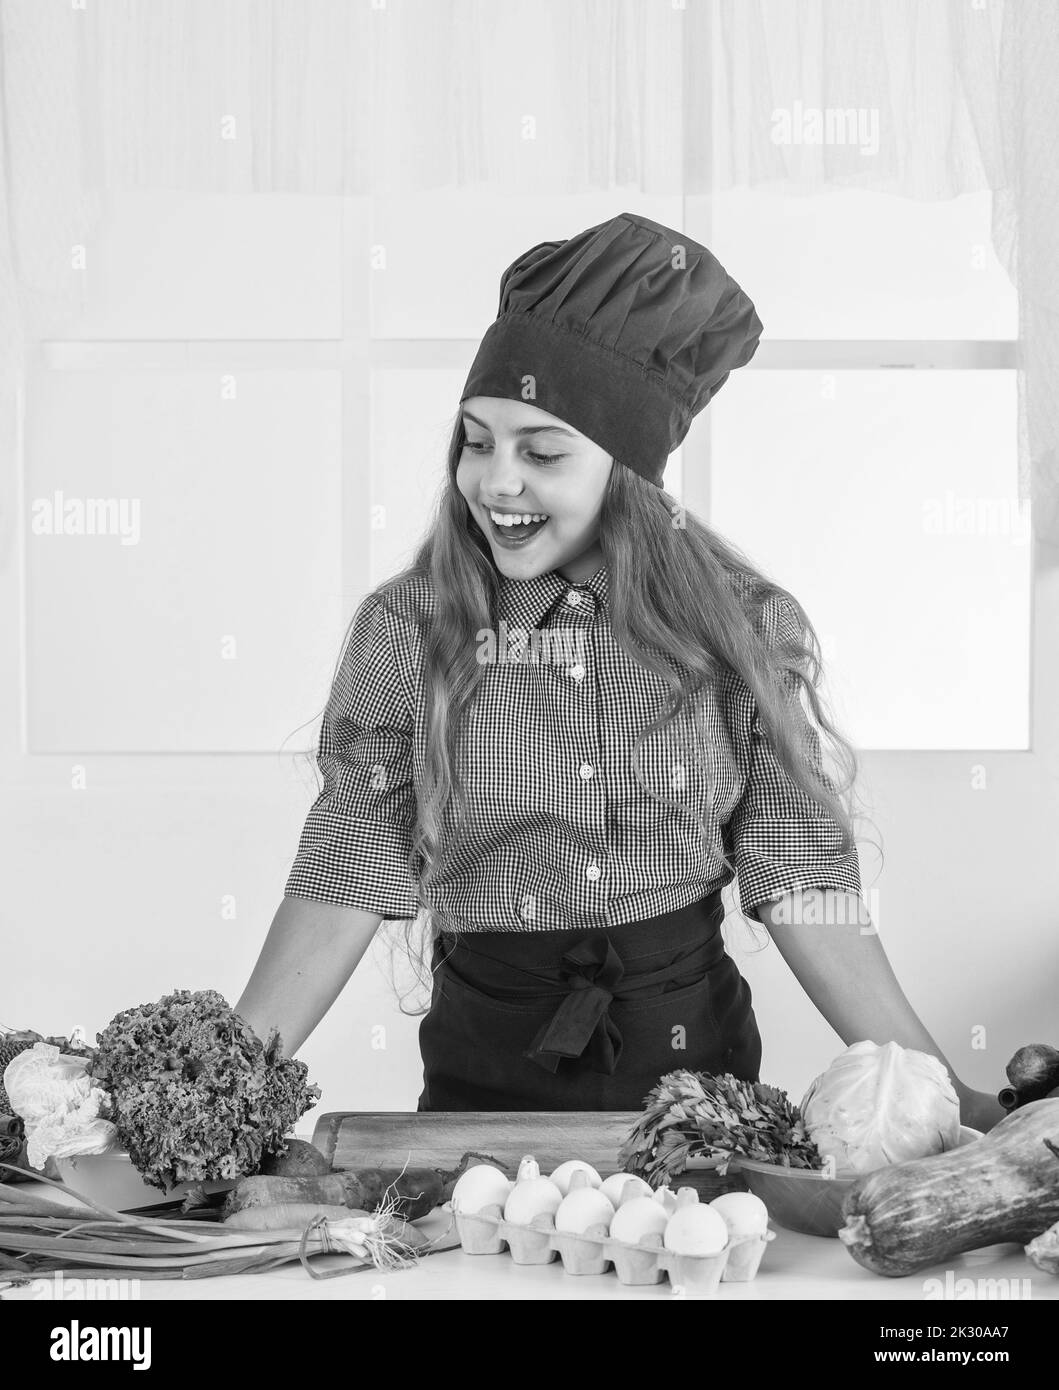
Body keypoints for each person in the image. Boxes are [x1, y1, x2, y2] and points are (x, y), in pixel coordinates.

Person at [236, 212, 1005, 1132]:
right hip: (483, 1083)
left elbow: (801, 879)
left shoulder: (743, 629)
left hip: (701, 1083)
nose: (494, 483)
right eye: (477, 441)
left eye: (542, 451)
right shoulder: (410, 627)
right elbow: (349, 858)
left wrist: (938, 1090)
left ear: (629, 469)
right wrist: (228, 1086)